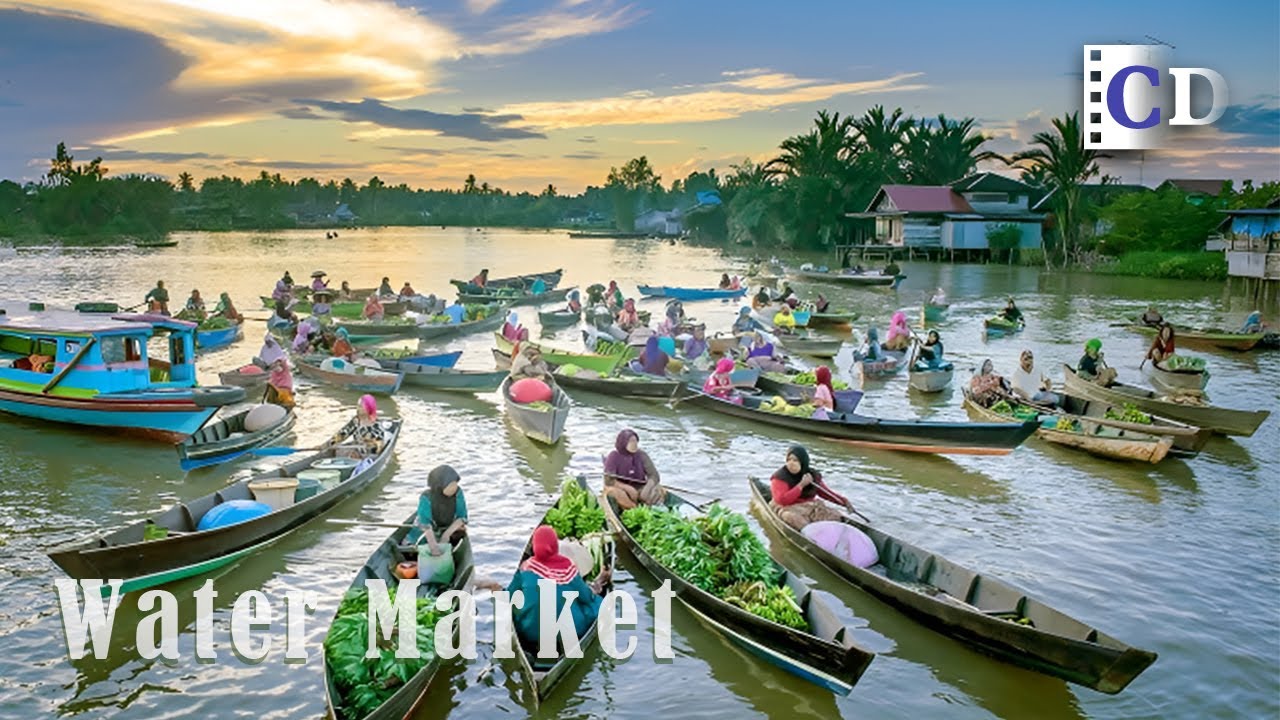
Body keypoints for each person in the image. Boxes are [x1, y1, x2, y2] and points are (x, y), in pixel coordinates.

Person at [508, 525, 608, 651]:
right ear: (555, 546)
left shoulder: (525, 568)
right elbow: (586, 598)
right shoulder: (567, 568)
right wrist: (595, 587)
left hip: (530, 631)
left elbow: (510, 597)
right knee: (596, 603)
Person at [769, 445, 857, 530]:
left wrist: (844, 502)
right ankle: (810, 534)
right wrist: (801, 485)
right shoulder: (779, 477)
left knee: (836, 517)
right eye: (788, 460)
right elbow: (782, 500)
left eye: (795, 460)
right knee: (794, 519)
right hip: (787, 508)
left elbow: (825, 493)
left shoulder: (811, 475)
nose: (791, 463)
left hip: (809, 507)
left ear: (803, 462)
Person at [411, 465, 468, 556]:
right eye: (450, 485)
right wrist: (434, 547)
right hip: (428, 531)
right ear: (440, 486)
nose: (454, 488)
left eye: (455, 484)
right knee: (418, 545)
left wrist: (446, 535)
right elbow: (425, 524)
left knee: (459, 533)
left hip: (448, 527)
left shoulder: (458, 493)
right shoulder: (426, 497)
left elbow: (462, 517)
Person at [603, 429, 666, 510]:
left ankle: (648, 507)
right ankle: (633, 508)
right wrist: (628, 488)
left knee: (659, 490)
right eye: (631, 441)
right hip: (620, 488)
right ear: (623, 443)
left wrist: (647, 489)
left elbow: (654, 475)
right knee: (615, 492)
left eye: (636, 441)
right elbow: (609, 481)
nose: (634, 444)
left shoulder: (642, 455)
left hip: (639, 487)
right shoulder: (614, 456)